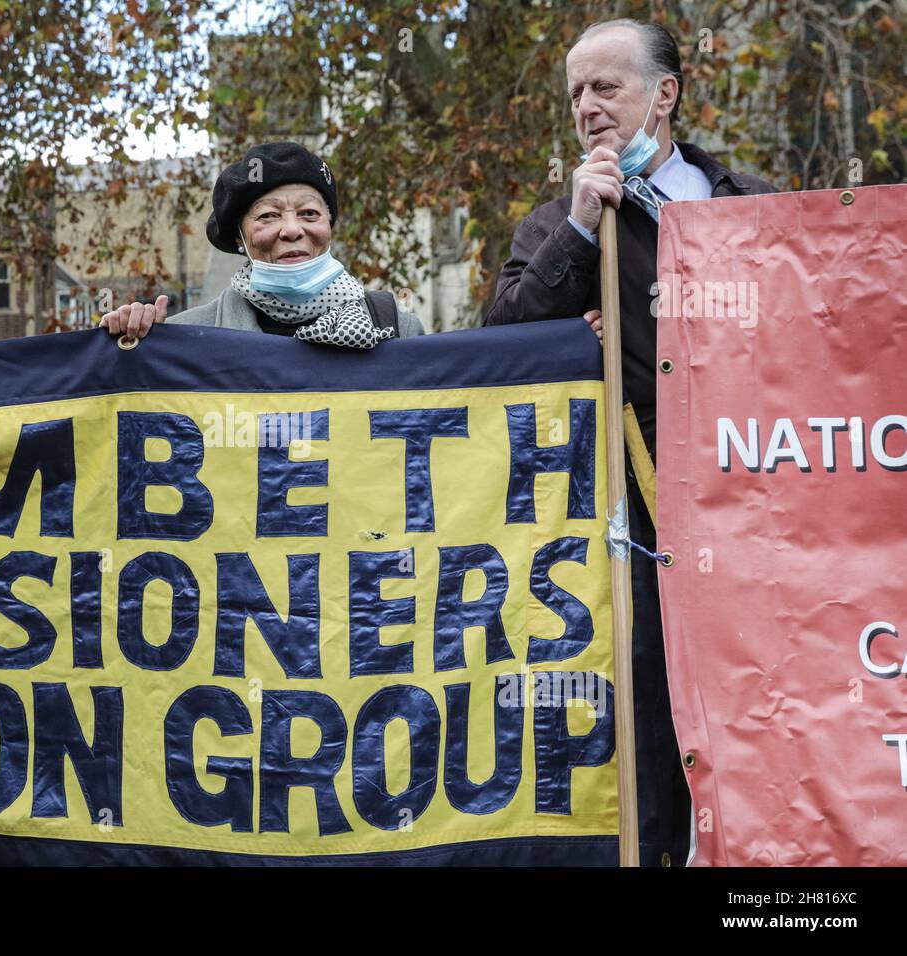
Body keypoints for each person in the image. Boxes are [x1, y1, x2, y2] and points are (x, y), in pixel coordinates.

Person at [485, 18, 776, 868]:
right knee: (650, 707)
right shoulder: (554, 225)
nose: (586, 107)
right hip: (632, 507)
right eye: (575, 93)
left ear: (666, 94)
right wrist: (579, 233)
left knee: (757, 697)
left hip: (753, 497)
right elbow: (500, 341)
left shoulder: (747, 204)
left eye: (605, 86)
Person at [101, 141, 425, 345]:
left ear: (329, 226)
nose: (292, 229)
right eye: (268, 216)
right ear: (241, 239)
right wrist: (132, 346)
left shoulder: (397, 327)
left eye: (309, 213)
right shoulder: (183, 339)